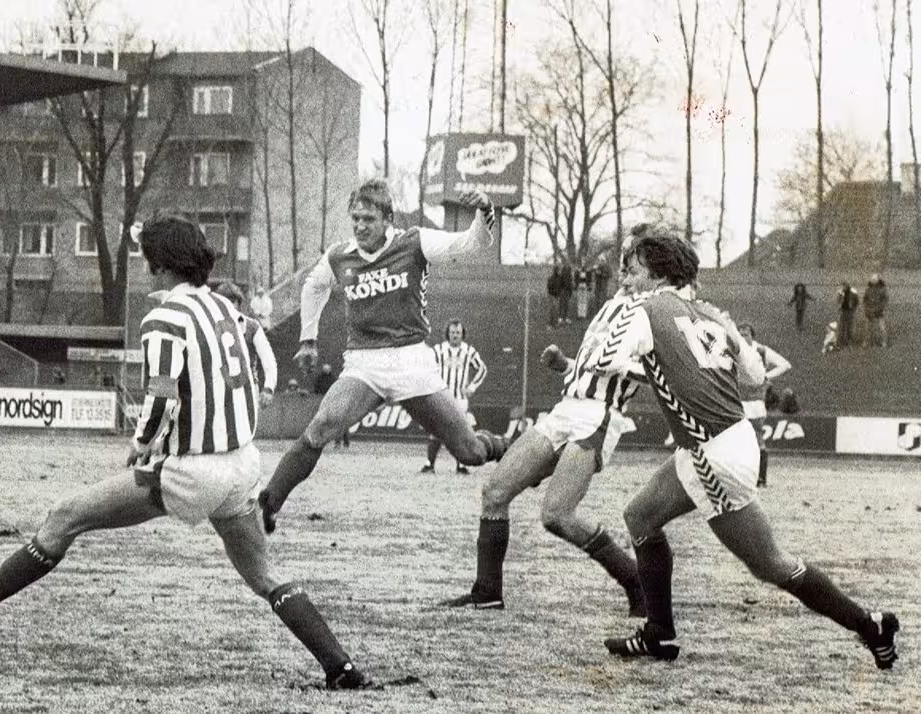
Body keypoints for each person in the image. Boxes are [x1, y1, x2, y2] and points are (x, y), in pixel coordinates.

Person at [0, 217, 370, 690]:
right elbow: (252, 336)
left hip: (193, 472)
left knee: (64, 517)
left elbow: (160, 395)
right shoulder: (224, 308)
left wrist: (141, 443)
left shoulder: (164, 319)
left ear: (157, 264)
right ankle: (340, 666)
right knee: (265, 578)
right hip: (243, 466)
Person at [584, 226, 898, 669]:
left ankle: (870, 625)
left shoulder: (643, 309)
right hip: (722, 440)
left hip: (711, 452)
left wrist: (612, 337)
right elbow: (754, 376)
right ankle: (659, 633)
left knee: (769, 564)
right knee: (640, 516)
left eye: (632, 269)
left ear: (656, 273)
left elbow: (605, 360)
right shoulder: (711, 316)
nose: (626, 279)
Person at [257, 180, 507, 534]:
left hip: (410, 362)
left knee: (470, 453)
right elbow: (313, 286)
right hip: (364, 364)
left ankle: (507, 447)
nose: (360, 226)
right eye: (355, 218)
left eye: (368, 219)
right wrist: (308, 338)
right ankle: (267, 504)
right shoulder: (340, 256)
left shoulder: (413, 242)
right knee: (319, 429)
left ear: (388, 218)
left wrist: (484, 211)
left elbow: (469, 245)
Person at [440, 285, 646, 614]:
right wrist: (565, 364)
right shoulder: (612, 305)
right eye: (625, 264)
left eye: (634, 265)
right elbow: (590, 366)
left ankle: (635, 580)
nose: (624, 272)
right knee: (495, 491)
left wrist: (623, 367)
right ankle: (487, 591)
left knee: (557, 516)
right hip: (566, 408)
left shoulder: (654, 312)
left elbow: (659, 372)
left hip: (599, 415)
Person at [421, 320, 488, 475]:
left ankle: (461, 466)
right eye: (452, 333)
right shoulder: (438, 350)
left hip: (460, 399)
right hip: (441, 397)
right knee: (436, 430)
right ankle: (429, 464)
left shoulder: (469, 351)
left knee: (460, 432)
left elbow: (482, 369)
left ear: (462, 334)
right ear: (448, 334)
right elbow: (426, 366)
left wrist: (472, 387)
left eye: (458, 333)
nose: (455, 336)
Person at [736, 323, 791, 488]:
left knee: (757, 438)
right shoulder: (734, 350)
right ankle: (745, 477)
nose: (743, 337)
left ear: (752, 335)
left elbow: (785, 364)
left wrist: (766, 376)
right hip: (737, 402)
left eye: (746, 334)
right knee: (739, 441)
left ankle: (761, 478)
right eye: (740, 334)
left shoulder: (760, 350)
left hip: (755, 403)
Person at [215, 281, 277, 408]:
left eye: (232, 301)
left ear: (238, 303)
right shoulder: (210, 326)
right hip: (218, 389)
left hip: (246, 388)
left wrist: (268, 388)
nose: (228, 306)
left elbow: (268, 359)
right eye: (224, 301)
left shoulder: (252, 326)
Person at [862, 274, 888, 348]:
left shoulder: (882, 289)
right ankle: (867, 342)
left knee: (882, 328)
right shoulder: (868, 289)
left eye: (874, 280)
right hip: (869, 311)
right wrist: (866, 309)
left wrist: (882, 309)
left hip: (879, 311)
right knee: (867, 328)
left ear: (877, 281)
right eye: (872, 280)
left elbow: (885, 301)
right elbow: (865, 300)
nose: (873, 282)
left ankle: (884, 342)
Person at [836, 283, 859, 348]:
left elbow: (857, 302)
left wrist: (854, 309)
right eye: (842, 286)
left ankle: (849, 342)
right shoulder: (841, 293)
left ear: (847, 286)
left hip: (850, 312)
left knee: (849, 327)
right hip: (843, 311)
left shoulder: (853, 293)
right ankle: (841, 342)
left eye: (844, 286)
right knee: (841, 327)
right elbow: (838, 301)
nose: (843, 287)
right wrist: (839, 298)